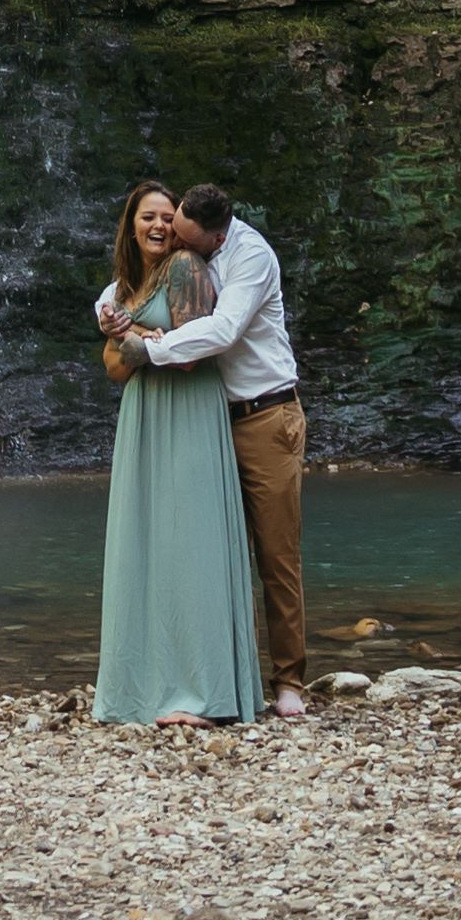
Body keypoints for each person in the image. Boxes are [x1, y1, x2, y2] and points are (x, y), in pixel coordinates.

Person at [101, 181, 307, 717]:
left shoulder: (250, 256)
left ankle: (288, 682)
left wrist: (145, 345)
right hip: (211, 416)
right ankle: (205, 674)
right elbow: (118, 296)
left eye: (184, 233)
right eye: (165, 225)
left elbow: (221, 330)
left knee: (274, 553)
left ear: (216, 233)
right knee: (205, 552)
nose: (172, 237)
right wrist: (111, 314)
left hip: (263, 412)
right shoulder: (180, 257)